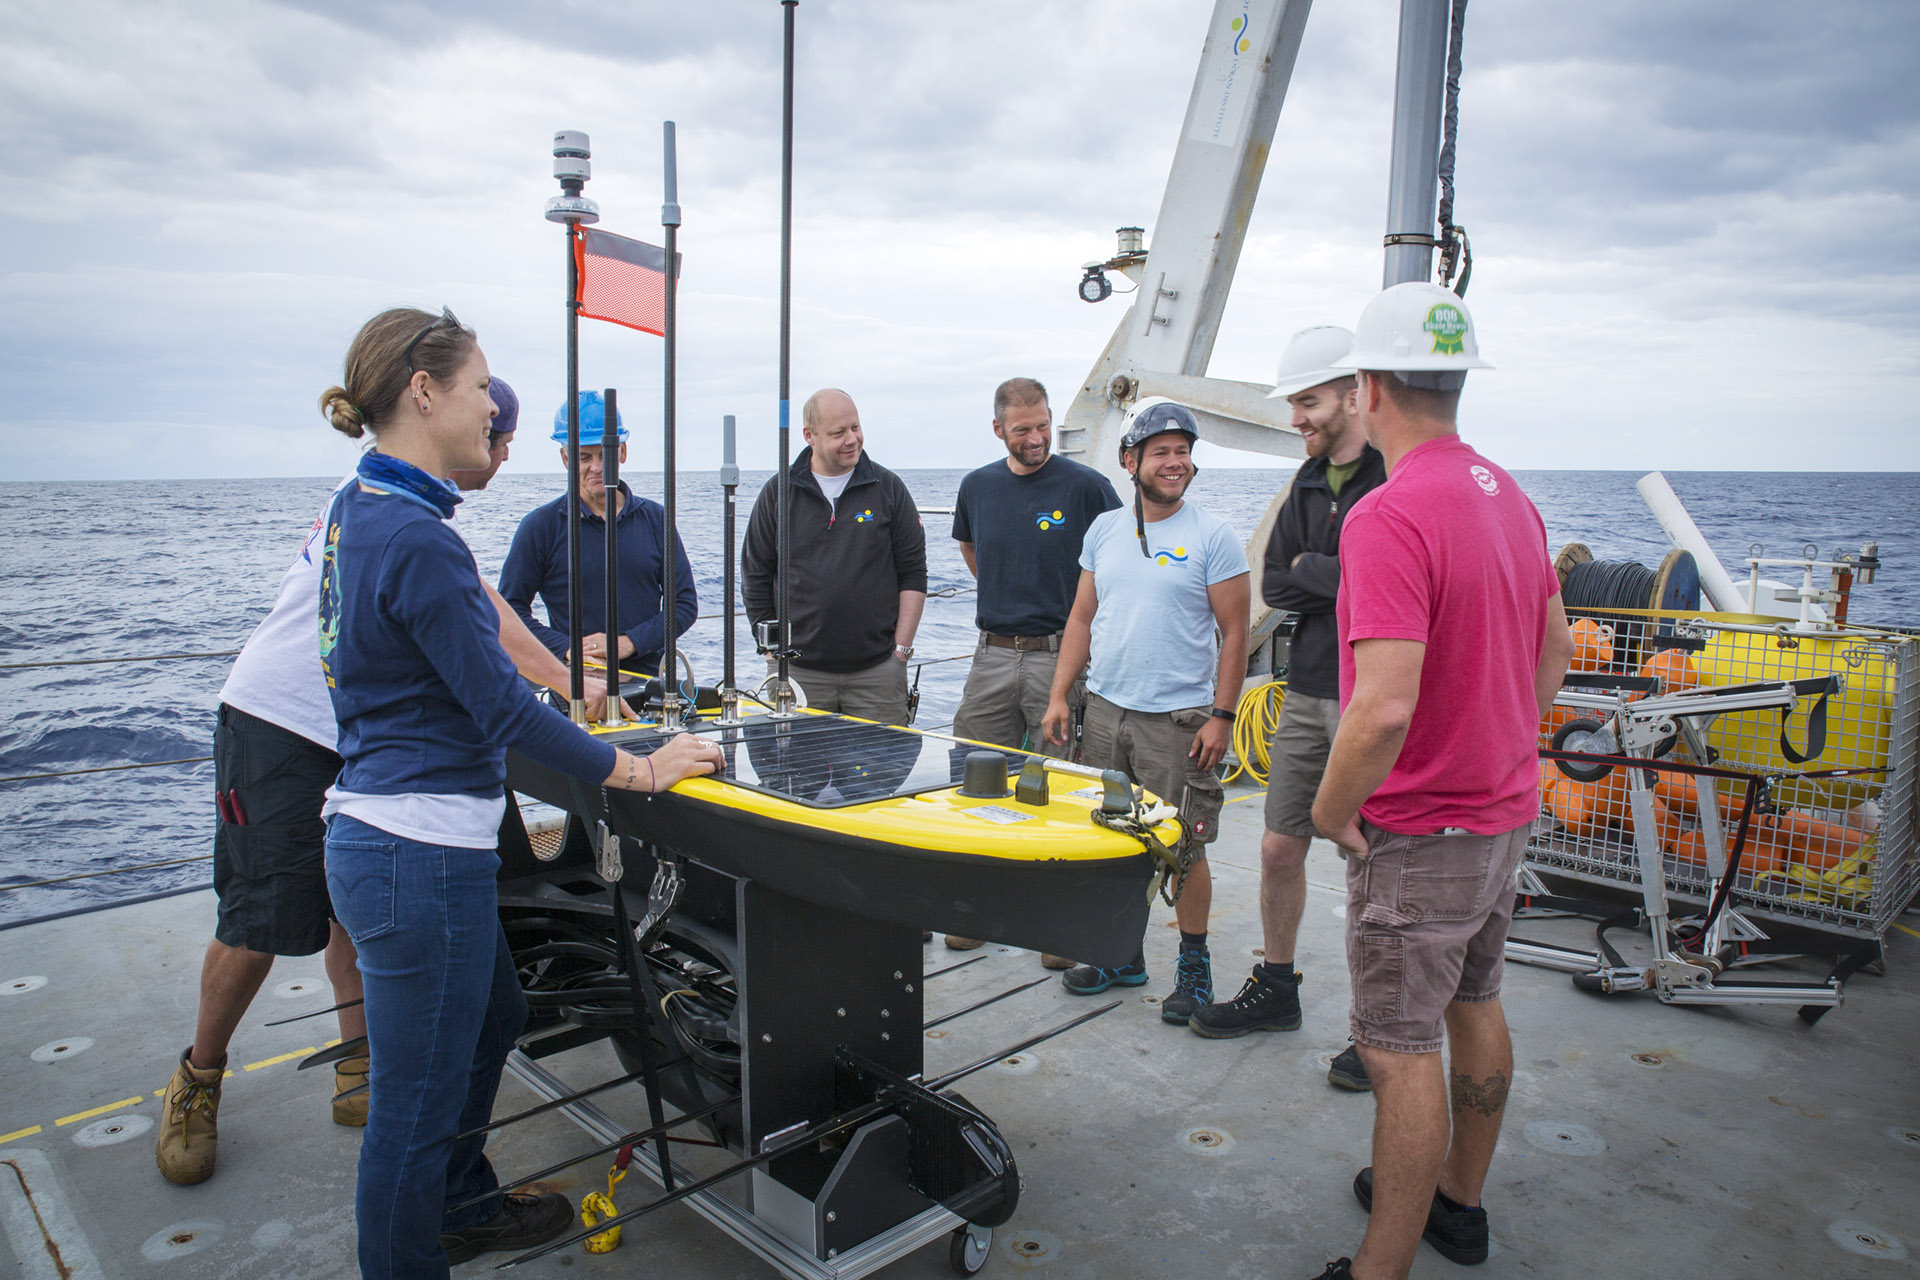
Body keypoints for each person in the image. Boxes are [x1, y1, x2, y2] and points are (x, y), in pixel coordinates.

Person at [314, 306, 724, 1277]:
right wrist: (640, 766)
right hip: (415, 851)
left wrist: (580, 679)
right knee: (408, 1114)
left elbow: (481, 612)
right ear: (425, 389)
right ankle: (421, 1242)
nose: (485, 407)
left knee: (497, 1016)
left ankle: (460, 1200)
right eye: (476, 387)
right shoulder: (412, 534)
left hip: (389, 837)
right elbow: (503, 710)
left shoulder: (367, 506)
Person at [155, 378, 620, 1188]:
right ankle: (198, 1075)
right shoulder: (380, 499)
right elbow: (489, 623)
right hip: (281, 723)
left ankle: (358, 1066)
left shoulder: (419, 508)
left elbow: (479, 619)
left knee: (354, 917)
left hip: (365, 736)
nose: (500, 454)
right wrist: (574, 697)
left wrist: (567, 688)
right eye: (496, 434)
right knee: (262, 920)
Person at [1306, 284, 1573, 1280]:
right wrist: (1496, 733)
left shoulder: (1388, 514)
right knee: (1477, 1003)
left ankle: (1381, 1267)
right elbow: (1552, 650)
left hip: (1418, 833)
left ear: (1369, 388)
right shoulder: (1512, 495)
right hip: (1503, 815)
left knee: (1397, 1048)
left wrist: (1333, 808)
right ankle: (1459, 1203)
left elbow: (1380, 708)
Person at [1186, 327, 1387, 1099]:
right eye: (1294, 403)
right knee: (1278, 848)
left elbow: (1383, 583)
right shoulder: (1307, 482)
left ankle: (1378, 1029)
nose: (1297, 417)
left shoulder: (1392, 475)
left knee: (1370, 860)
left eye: (1307, 400)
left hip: (1371, 691)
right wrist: (1333, 573)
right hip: (1307, 688)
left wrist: (1325, 572)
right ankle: (1278, 985)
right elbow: (1278, 580)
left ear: (1352, 392)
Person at [1040, 400, 1250, 1023]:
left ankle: (1194, 968)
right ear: (1130, 461)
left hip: (1180, 722)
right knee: (1111, 840)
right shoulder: (1103, 529)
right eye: (1160, 451)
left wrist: (1223, 715)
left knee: (1185, 846)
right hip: (1106, 713)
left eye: (1182, 451)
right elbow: (1082, 617)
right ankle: (1121, 955)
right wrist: (1059, 694)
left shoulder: (1213, 535)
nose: (1175, 462)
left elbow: (1235, 633)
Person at [943, 377, 1119, 955]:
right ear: (999, 430)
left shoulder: (1087, 488)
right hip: (991, 653)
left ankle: (1053, 924)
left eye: (1043, 425)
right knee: (973, 778)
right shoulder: (976, 487)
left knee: (1059, 786)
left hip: (1057, 658)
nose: (1038, 437)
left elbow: (1115, 563)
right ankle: (974, 910)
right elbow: (975, 553)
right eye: (1024, 430)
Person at [741, 388, 926, 724]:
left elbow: (913, 572)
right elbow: (755, 575)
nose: (852, 439)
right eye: (838, 433)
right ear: (809, 436)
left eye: (855, 428)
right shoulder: (778, 493)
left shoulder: (889, 489)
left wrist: (901, 651)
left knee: (881, 773)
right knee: (794, 774)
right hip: (797, 672)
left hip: (878, 673)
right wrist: (769, 650)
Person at [498, 391, 698, 677]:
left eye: (606, 454)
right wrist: (568, 648)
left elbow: (685, 605)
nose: (597, 467)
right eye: (583, 457)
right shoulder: (540, 526)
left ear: (623, 452)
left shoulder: (657, 519)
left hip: (651, 684)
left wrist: (629, 643)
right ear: (566, 458)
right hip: (573, 684)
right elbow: (509, 611)